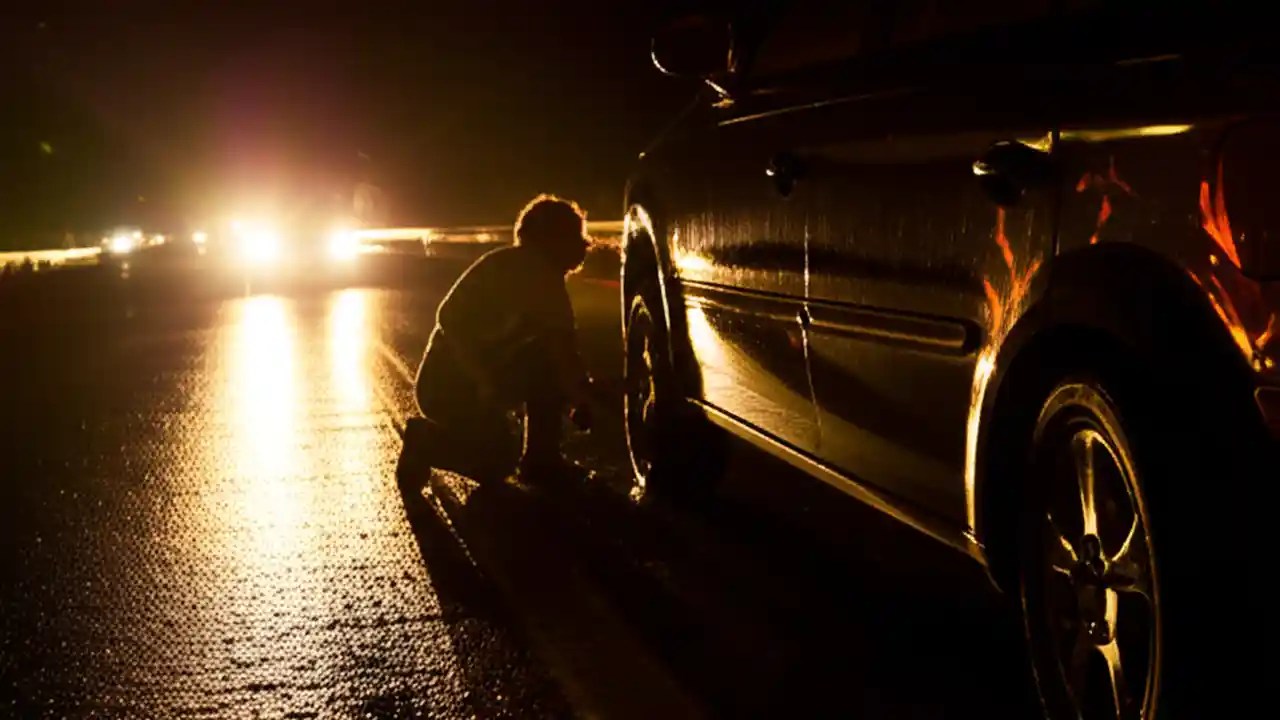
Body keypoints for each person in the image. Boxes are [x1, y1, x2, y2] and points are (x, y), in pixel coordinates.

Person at [397, 194, 596, 486]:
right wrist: (484, 382)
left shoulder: (516, 267)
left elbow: (561, 349)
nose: (582, 247)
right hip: (447, 387)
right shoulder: (535, 277)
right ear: (552, 241)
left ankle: (540, 459)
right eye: (573, 237)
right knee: (495, 461)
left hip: (459, 381)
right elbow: (452, 324)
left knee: (546, 361)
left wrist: (579, 394)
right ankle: (426, 443)